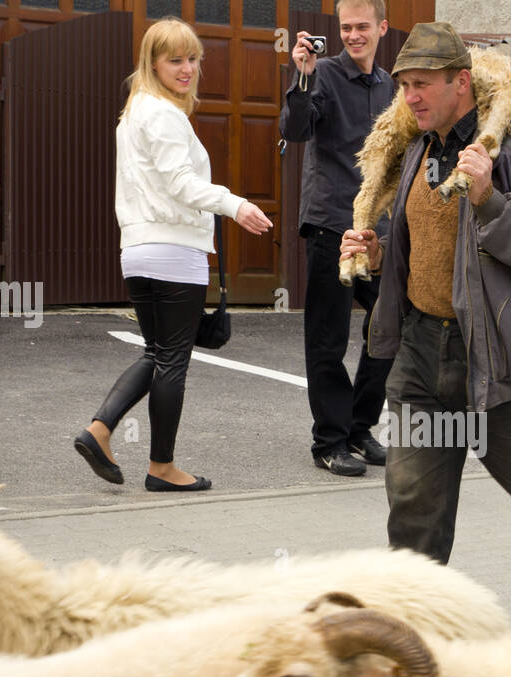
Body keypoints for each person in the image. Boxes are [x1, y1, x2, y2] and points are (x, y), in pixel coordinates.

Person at [339, 22, 511, 612]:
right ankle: (411, 625)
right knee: (413, 501)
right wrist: (378, 253)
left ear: (461, 82)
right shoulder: (418, 150)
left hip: (493, 356)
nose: (410, 97)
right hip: (422, 351)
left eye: (422, 84)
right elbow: (432, 253)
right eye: (405, 85)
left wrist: (490, 198)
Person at [75, 16, 272, 492]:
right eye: (175, 60)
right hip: (172, 250)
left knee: (157, 353)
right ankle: (161, 467)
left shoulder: (135, 112)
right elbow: (181, 184)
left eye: (193, 59)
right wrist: (236, 204)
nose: (187, 69)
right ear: (153, 63)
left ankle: (99, 429)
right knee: (172, 361)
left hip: (138, 251)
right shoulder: (162, 115)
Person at [280, 0, 395, 477]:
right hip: (332, 223)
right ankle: (329, 440)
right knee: (327, 338)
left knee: (390, 324)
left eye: (362, 26)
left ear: (381, 28)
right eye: (345, 27)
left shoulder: (391, 85)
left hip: (377, 230)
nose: (353, 35)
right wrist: (302, 76)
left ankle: (359, 427)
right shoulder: (322, 74)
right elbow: (295, 128)